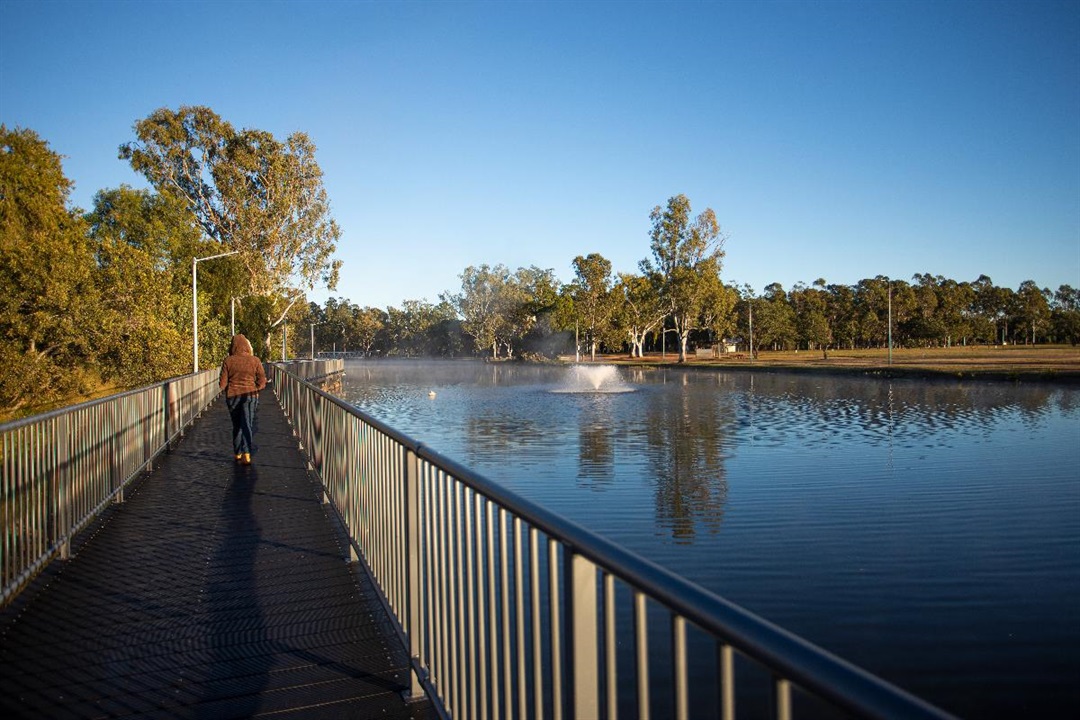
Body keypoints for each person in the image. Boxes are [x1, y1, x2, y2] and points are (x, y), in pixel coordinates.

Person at [219, 333, 267, 465]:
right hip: (250, 396)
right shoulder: (255, 360)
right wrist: (256, 388)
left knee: (237, 426)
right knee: (247, 424)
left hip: (233, 396)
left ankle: (237, 453)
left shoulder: (228, 361)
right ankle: (247, 454)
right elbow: (262, 380)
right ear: (246, 346)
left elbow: (222, 384)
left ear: (232, 347)